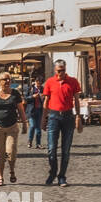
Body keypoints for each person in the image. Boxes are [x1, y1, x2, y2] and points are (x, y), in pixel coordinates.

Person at [42, 59, 83, 187]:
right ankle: (53, 172)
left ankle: (62, 176)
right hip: (53, 116)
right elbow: (46, 101)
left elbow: (76, 100)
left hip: (68, 116)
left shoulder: (73, 81)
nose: (61, 73)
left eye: (63, 70)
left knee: (66, 150)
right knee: (51, 149)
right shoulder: (49, 82)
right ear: (55, 70)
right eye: (59, 71)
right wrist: (43, 119)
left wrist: (78, 116)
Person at [25, 83, 44, 148]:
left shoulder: (42, 89)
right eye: (38, 83)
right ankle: (30, 141)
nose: (39, 85)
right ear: (35, 82)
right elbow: (25, 98)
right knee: (32, 126)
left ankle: (38, 143)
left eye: (40, 84)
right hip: (31, 111)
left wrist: (43, 97)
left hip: (39, 110)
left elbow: (47, 98)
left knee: (38, 128)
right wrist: (32, 96)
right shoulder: (30, 88)